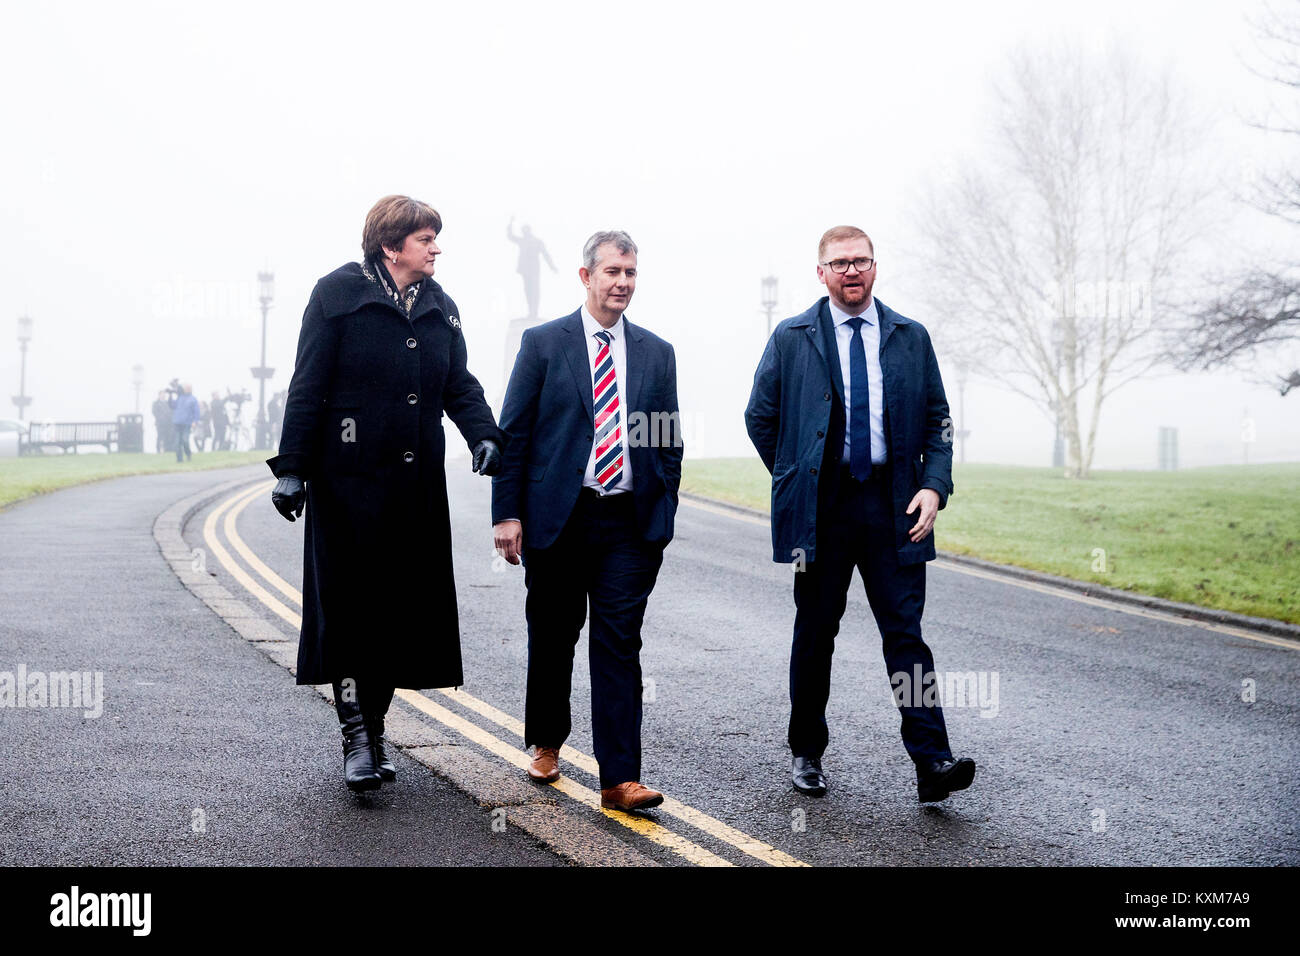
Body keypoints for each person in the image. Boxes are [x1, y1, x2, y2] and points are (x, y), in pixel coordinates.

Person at [267, 195, 504, 792]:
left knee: (399, 614)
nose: (436, 248)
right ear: (391, 245)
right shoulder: (337, 296)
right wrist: (292, 467)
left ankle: (375, 728)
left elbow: (458, 383)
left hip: (414, 487)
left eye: (436, 238)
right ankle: (356, 737)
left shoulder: (440, 307)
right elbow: (308, 383)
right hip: (348, 487)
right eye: (427, 239)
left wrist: (483, 435)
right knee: (352, 614)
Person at [744, 225, 975, 804]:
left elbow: (938, 421)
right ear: (820, 272)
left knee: (906, 637)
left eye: (862, 261)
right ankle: (806, 752)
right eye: (840, 263)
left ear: (875, 268)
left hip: (893, 506)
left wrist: (933, 486)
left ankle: (932, 762)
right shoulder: (792, 336)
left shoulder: (909, 336)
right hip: (821, 511)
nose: (852, 271)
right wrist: (796, 474)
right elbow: (760, 416)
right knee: (816, 632)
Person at [492, 230, 682, 813]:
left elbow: (667, 439)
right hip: (558, 519)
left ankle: (620, 778)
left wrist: (662, 512)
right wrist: (507, 512)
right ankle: (547, 742)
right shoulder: (544, 344)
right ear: (586, 277)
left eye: (630, 273)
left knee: (619, 644)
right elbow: (515, 433)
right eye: (612, 272)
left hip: (627, 524)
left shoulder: (657, 351)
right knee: (553, 636)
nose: (622, 283)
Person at [171, 383, 200, 462]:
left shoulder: (193, 399)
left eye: (188, 388)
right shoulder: (179, 398)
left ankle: (188, 454)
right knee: (177, 442)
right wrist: (170, 395)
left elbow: (196, 412)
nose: (186, 390)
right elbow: (172, 406)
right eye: (185, 388)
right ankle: (179, 459)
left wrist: (195, 421)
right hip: (177, 423)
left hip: (186, 424)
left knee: (185, 440)